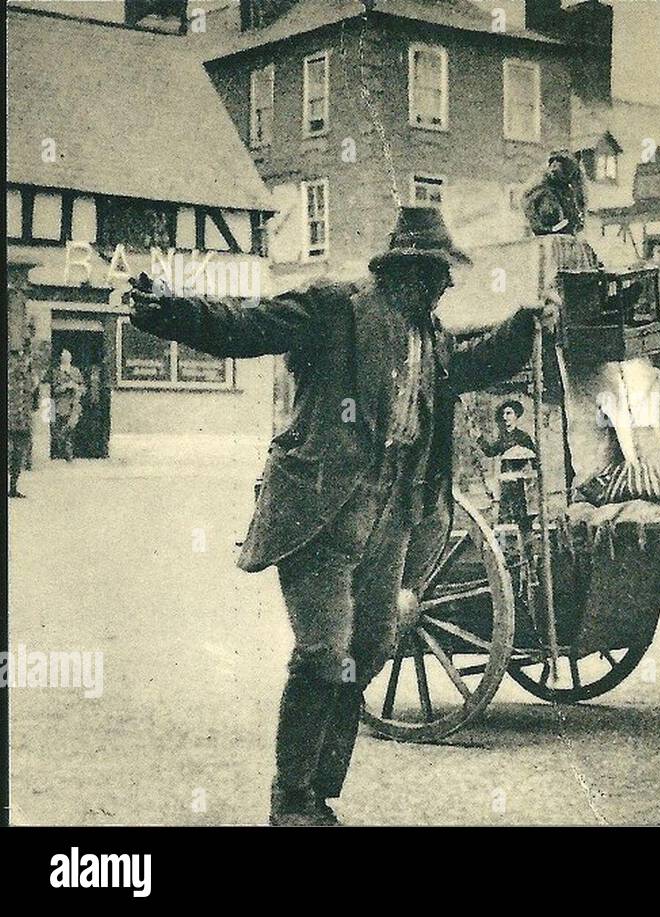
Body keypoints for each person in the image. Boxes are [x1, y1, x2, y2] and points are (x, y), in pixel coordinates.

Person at [126, 206, 549, 826]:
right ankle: (289, 799)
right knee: (324, 652)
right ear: (409, 271)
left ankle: (320, 793)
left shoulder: (426, 334)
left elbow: (469, 370)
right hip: (319, 513)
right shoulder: (335, 309)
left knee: (369, 648)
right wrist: (171, 309)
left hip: (388, 518)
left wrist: (522, 328)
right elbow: (246, 327)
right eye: (439, 275)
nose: (447, 287)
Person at [473, 398, 539, 527]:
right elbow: (490, 452)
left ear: (516, 416)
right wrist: (479, 438)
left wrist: (531, 472)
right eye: (504, 414)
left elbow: (535, 458)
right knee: (505, 513)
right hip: (506, 480)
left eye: (509, 413)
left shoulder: (523, 437)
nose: (505, 417)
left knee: (522, 512)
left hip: (521, 481)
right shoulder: (503, 437)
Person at [8, 316, 39, 497]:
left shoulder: (29, 378)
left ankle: (13, 487)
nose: (22, 364)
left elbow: (35, 397)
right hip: (10, 418)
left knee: (18, 454)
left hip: (22, 420)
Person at [523, 150, 586, 236]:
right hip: (547, 233)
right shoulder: (541, 187)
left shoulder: (567, 188)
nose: (555, 166)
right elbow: (530, 209)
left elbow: (579, 201)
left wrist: (576, 220)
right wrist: (548, 229)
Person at [50, 349, 86, 462]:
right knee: (59, 430)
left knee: (70, 428)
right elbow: (53, 390)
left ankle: (69, 454)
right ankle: (63, 453)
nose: (66, 358)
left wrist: (76, 387)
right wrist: (64, 387)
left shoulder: (76, 371)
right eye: (64, 356)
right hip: (61, 405)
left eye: (68, 356)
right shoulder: (56, 372)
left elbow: (83, 389)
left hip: (74, 405)